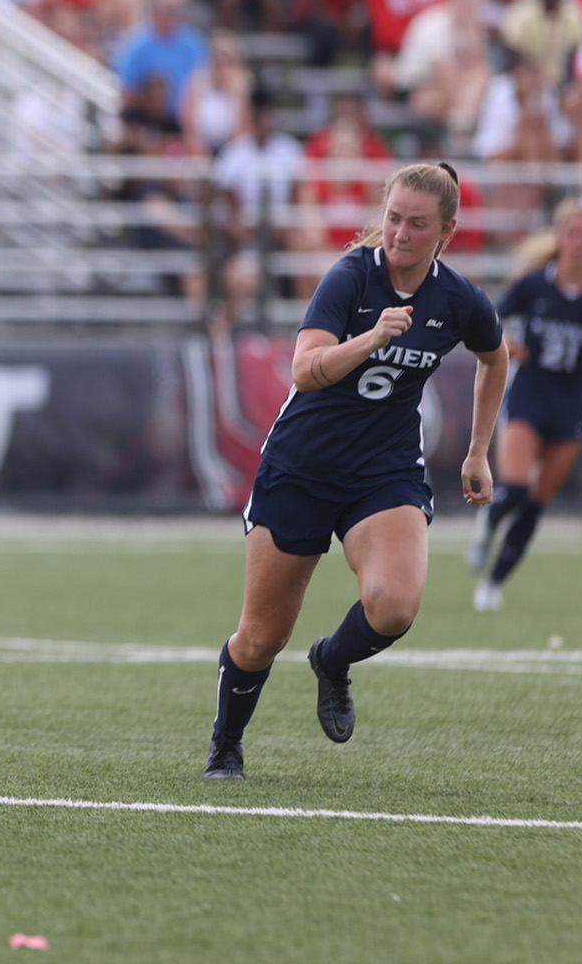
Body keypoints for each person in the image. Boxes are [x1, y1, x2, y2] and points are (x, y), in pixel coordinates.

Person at [205, 163, 508, 781]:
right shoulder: (349, 278)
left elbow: (494, 358)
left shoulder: (457, 299)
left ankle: (333, 661)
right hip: (302, 466)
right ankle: (225, 746)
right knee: (261, 637)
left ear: (444, 232)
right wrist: (370, 339)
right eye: (393, 218)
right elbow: (305, 369)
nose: (398, 233)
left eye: (416, 224)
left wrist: (478, 450)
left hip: (384, 470)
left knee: (395, 604)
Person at [466, 201, 582, 610]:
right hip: (529, 394)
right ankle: (487, 523)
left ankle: (494, 583)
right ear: (560, 238)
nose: (577, 242)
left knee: (538, 500)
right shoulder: (535, 285)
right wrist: (508, 346)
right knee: (517, 487)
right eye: (571, 233)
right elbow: (491, 325)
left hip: (570, 404)